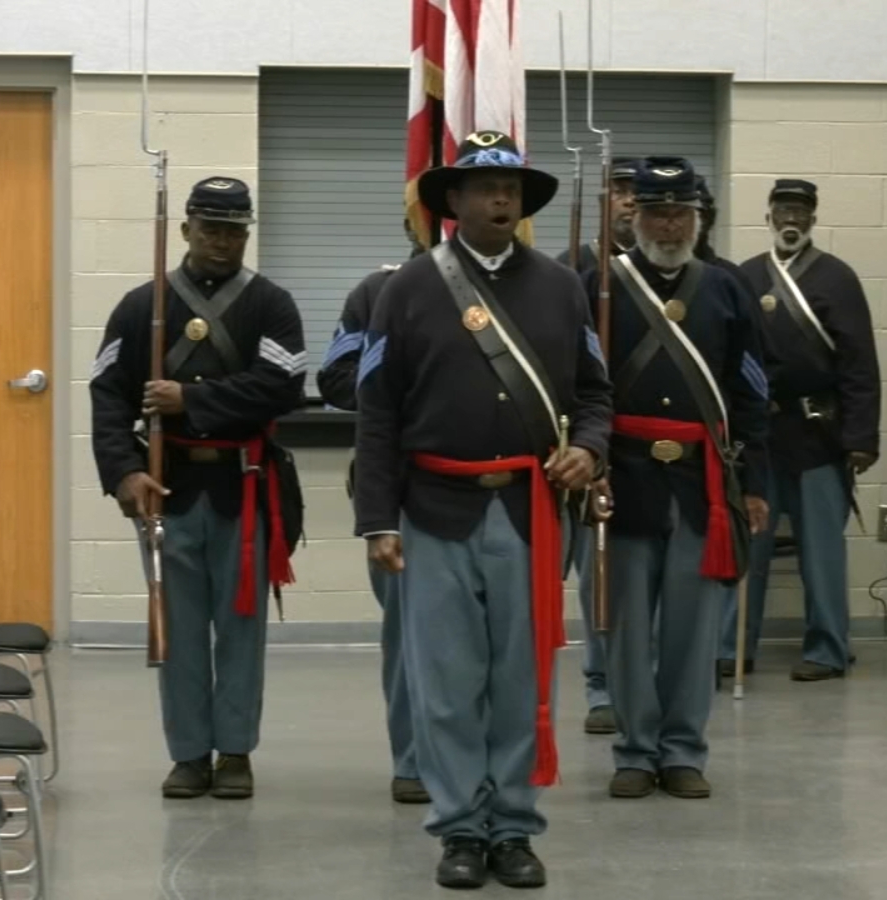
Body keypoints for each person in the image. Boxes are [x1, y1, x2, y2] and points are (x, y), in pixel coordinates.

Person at [355, 130, 612, 889]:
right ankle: (460, 829)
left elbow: (595, 395)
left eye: (513, 192)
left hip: (530, 514)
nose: (502, 200)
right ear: (454, 201)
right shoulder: (406, 290)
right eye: (486, 189)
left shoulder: (562, 288)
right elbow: (376, 414)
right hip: (434, 512)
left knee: (520, 680)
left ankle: (515, 829)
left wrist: (589, 451)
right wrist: (378, 519)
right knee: (445, 682)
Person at [90, 177, 306, 798]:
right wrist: (123, 471)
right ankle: (188, 753)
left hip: (245, 485)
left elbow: (282, 386)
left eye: (234, 230)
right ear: (185, 230)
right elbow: (107, 395)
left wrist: (193, 397)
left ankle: (235, 752)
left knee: (240, 627)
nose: (221, 241)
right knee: (179, 629)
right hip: (168, 485)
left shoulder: (271, 305)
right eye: (210, 228)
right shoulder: (141, 307)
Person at [588, 157, 769, 801]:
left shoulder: (723, 289)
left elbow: (751, 394)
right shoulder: (600, 285)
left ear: (698, 217)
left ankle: (684, 749)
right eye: (657, 211)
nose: (669, 224)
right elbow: (581, 388)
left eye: (681, 212)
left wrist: (754, 482)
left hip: (701, 487)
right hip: (625, 480)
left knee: (694, 631)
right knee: (627, 626)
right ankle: (635, 751)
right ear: (633, 215)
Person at [726, 179, 881, 682]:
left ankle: (828, 648)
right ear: (767, 216)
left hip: (819, 436)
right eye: (783, 211)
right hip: (761, 439)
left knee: (822, 554)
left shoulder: (838, 278)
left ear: (813, 219)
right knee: (751, 548)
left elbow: (860, 364)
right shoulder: (745, 276)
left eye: (801, 212)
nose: (791, 220)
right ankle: (735, 646)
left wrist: (861, 439)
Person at [316, 220, 429, 805]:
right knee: (408, 631)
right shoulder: (376, 292)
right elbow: (334, 378)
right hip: (402, 484)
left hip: (491, 487)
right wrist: (420, 386)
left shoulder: (520, 286)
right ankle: (414, 761)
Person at [557, 155, 639, 736]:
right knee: (599, 577)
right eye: (621, 191)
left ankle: (648, 684)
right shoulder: (570, 272)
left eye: (640, 193)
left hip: (657, 451)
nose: (631, 202)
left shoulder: (688, 273)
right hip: (592, 448)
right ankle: (602, 686)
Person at [557, 155, 640, 274]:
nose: (629, 201)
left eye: (636, 193)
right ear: (602, 203)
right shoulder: (570, 262)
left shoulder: (663, 265)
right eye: (619, 192)